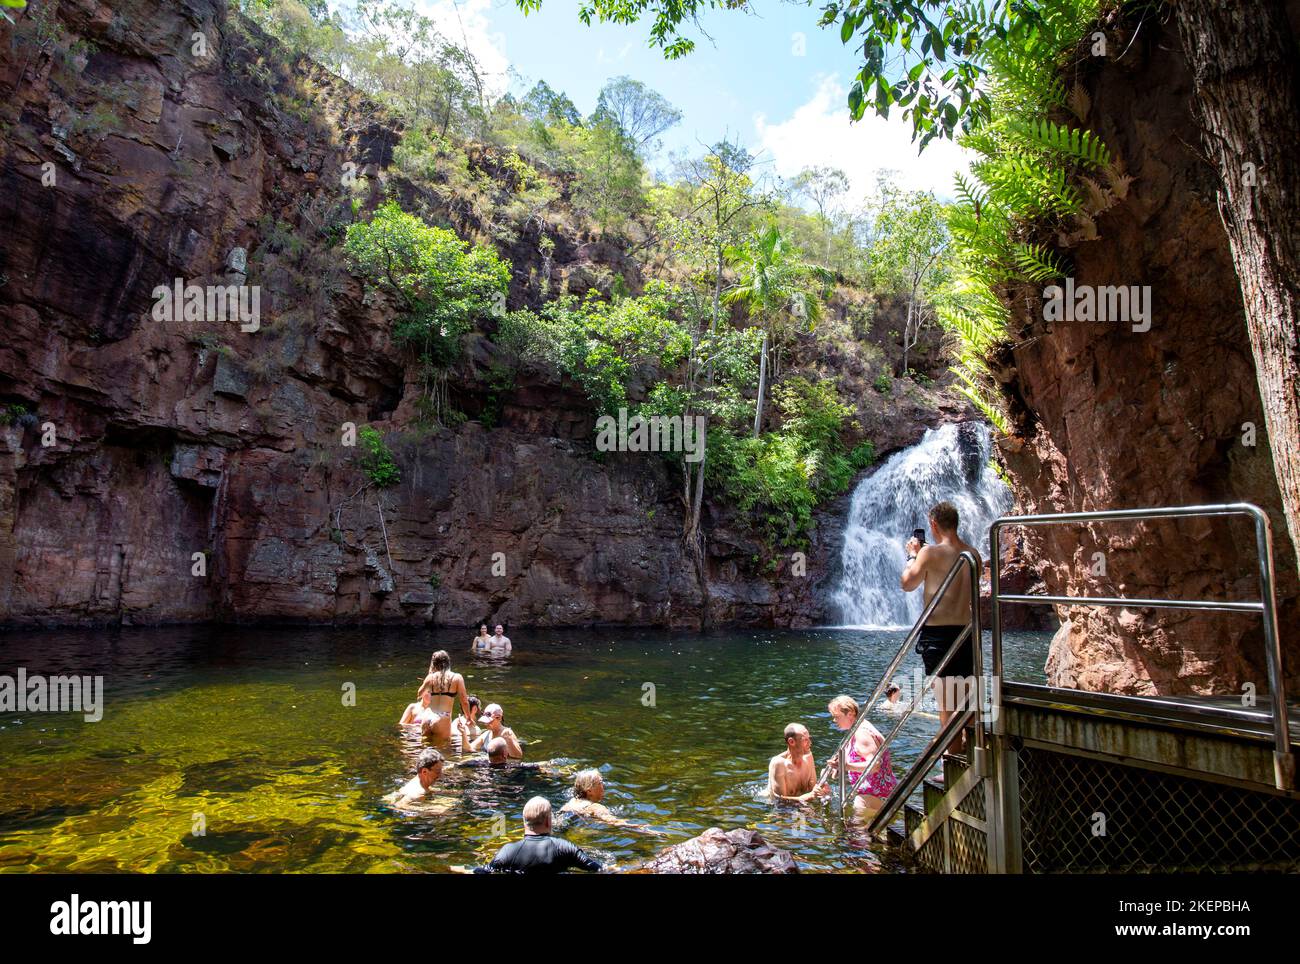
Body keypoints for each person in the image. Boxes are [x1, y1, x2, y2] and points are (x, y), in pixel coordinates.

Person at [900, 500, 983, 748]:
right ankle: (973, 757)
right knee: (966, 702)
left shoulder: (929, 553)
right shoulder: (973, 554)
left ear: (933, 524)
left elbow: (907, 583)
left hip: (938, 636)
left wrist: (912, 556)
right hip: (966, 634)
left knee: (946, 706)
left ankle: (951, 763)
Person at [474, 797, 602, 874]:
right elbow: (598, 869)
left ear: (524, 821)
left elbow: (482, 871)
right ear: (548, 821)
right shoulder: (564, 847)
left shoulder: (508, 851)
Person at [826, 695, 898, 815]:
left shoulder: (862, 734)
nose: (834, 720)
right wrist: (839, 767)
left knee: (858, 831)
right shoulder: (858, 728)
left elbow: (875, 765)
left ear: (850, 713)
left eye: (837, 717)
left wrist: (845, 766)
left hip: (874, 795)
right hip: (874, 794)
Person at [560, 769, 661, 834]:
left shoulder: (571, 803)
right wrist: (644, 829)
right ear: (589, 790)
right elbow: (614, 822)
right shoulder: (595, 807)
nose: (603, 786)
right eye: (600, 783)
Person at [416, 651, 474, 743]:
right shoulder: (456, 677)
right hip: (442, 718)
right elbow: (464, 701)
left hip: (427, 717)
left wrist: (430, 677)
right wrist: (468, 718)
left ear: (434, 664)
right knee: (444, 751)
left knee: (425, 751)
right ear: (448, 662)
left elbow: (419, 694)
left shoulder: (430, 677)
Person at [767, 723, 829, 803]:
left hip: (800, 806)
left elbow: (812, 790)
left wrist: (821, 790)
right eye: (805, 740)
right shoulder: (778, 764)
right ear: (791, 742)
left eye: (809, 738)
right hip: (782, 810)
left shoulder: (808, 756)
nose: (810, 743)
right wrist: (805, 797)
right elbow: (779, 800)